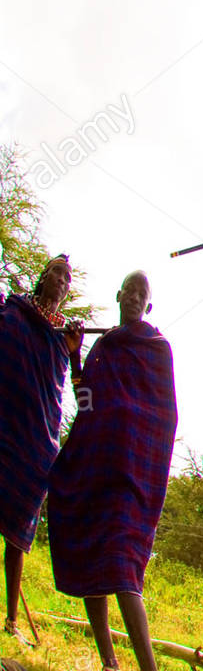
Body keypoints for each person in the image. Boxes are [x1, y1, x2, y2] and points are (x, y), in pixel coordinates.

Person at [46, 271, 178, 671]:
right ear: (118, 296)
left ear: (148, 305)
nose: (135, 297)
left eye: (144, 292)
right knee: (93, 560)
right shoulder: (104, 346)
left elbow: (164, 416)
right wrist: (76, 354)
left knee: (122, 565)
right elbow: (85, 402)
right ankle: (109, 666)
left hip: (131, 472)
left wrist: (128, 424)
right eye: (130, 290)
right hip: (96, 465)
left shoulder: (156, 350)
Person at [0, 255, 82, 643]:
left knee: (16, 537)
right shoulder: (13, 312)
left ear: (68, 291)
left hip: (37, 442)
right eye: (56, 272)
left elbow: (78, 392)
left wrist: (74, 350)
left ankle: (11, 620)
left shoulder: (63, 337)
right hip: (3, 427)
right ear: (43, 277)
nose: (61, 280)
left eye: (67, 278)